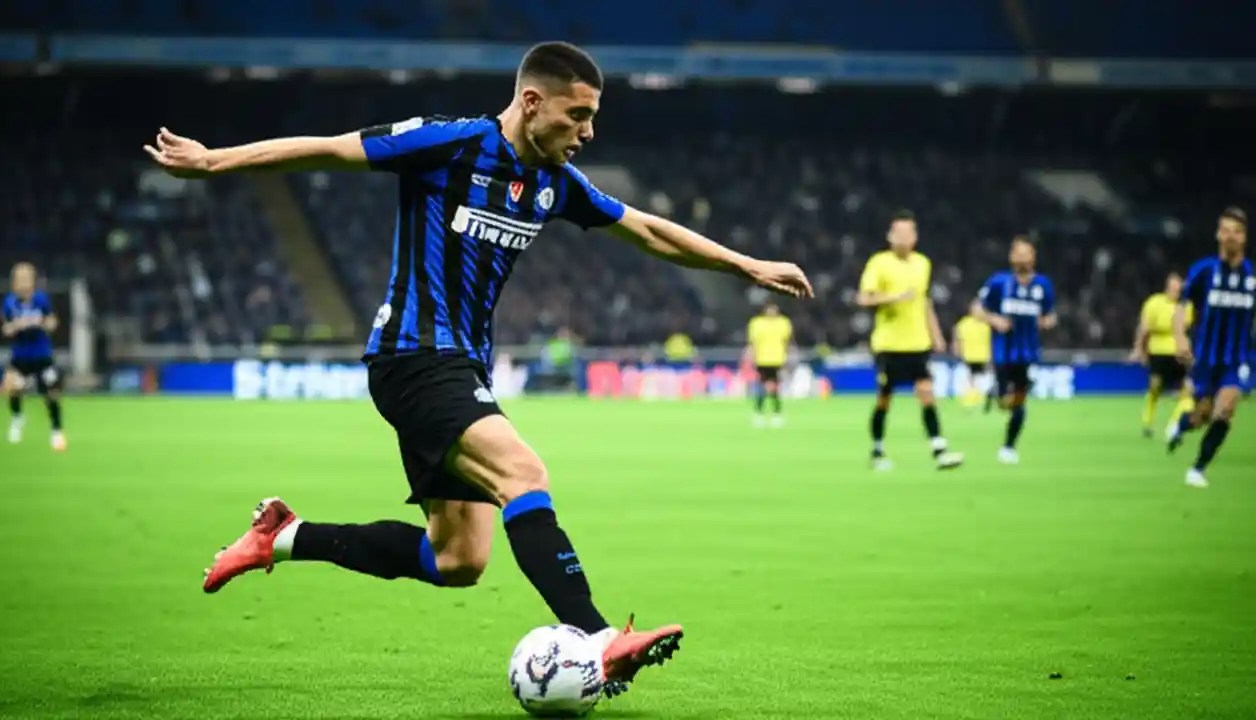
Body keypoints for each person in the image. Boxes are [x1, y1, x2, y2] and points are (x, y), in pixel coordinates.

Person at [144, 41, 813, 694]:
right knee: (523, 473)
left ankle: (284, 537)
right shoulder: (450, 143)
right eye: (577, 115)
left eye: (592, 118)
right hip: (413, 356)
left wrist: (746, 265)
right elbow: (328, 148)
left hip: (462, 367)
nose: (587, 132)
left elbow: (646, 229)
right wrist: (213, 162)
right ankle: (599, 636)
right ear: (532, 102)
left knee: (457, 559)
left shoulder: (553, 182)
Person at [856, 209, 963, 471]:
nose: (904, 237)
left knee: (926, 393)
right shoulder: (879, 263)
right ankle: (877, 450)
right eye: (899, 232)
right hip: (889, 344)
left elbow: (924, 302)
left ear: (915, 236)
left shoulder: (923, 263)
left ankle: (939, 449)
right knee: (884, 399)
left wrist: (936, 334)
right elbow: (864, 298)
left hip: (917, 343)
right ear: (890, 236)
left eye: (908, 232)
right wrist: (894, 297)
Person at [1167, 207, 1253, 488]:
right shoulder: (1204, 270)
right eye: (1226, 230)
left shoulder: (1252, 275)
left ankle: (1198, 469)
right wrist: (1180, 337)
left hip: (1238, 358)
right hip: (1205, 356)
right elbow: (1181, 307)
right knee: (1201, 415)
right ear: (1218, 234)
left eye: (1237, 231)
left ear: (1244, 237)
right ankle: (1181, 425)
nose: (1231, 236)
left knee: (1225, 409)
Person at [973, 237, 1057, 464]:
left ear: (1033, 257)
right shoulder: (999, 282)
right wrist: (994, 320)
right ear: (1011, 257)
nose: (1022, 258)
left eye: (1026, 254)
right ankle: (997, 393)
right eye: (1018, 254)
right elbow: (976, 308)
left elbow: (1050, 314)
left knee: (1019, 402)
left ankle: (1009, 447)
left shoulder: (1043, 285)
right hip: (1002, 352)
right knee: (1004, 403)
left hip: (1028, 353)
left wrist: (1047, 321)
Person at [0, 263, 66, 451]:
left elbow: (52, 322)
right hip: (20, 354)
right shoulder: (9, 302)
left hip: (41, 354)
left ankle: (56, 430)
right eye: (18, 279)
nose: (22, 284)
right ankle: (17, 418)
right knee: (12, 387)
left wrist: (42, 323)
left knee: (51, 392)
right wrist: (16, 326)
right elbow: (5, 328)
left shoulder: (41, 300)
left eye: (26, 279)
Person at [1129, 273, 1194, 437]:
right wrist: (1139, 349)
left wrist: (1189, 352)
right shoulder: (1154, 302)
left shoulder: (1187, 305)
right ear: (1167, 287)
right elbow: (1144, 328)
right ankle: (1147, 422)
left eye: (1179, 288)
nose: (1176, 291)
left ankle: (1174, 424)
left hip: (1179, 353)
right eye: (1174, 287)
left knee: (1186, 391)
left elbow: (1187, 330)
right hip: (1158, 353)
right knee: (1155, 388)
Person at [746, 302, 793, 427]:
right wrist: (751, 356)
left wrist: (787, 357)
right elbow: (753, 343)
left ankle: (776, 412)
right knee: (762, 386)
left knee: (775, 386)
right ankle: (759, 412)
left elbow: (787, 342)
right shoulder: (757, 323)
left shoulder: (783, 323)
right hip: (762, 359)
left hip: (777, 359)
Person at [952, 303, 992, 411]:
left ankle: (980, 399)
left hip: (983, 356)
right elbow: (958, 338)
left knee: (981, 379)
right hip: (968, 356)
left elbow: (992, 341)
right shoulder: (964, 323)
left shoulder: (987, 324)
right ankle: (969, 399)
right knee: (969, 378)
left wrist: (991, 355)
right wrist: (957, 350)